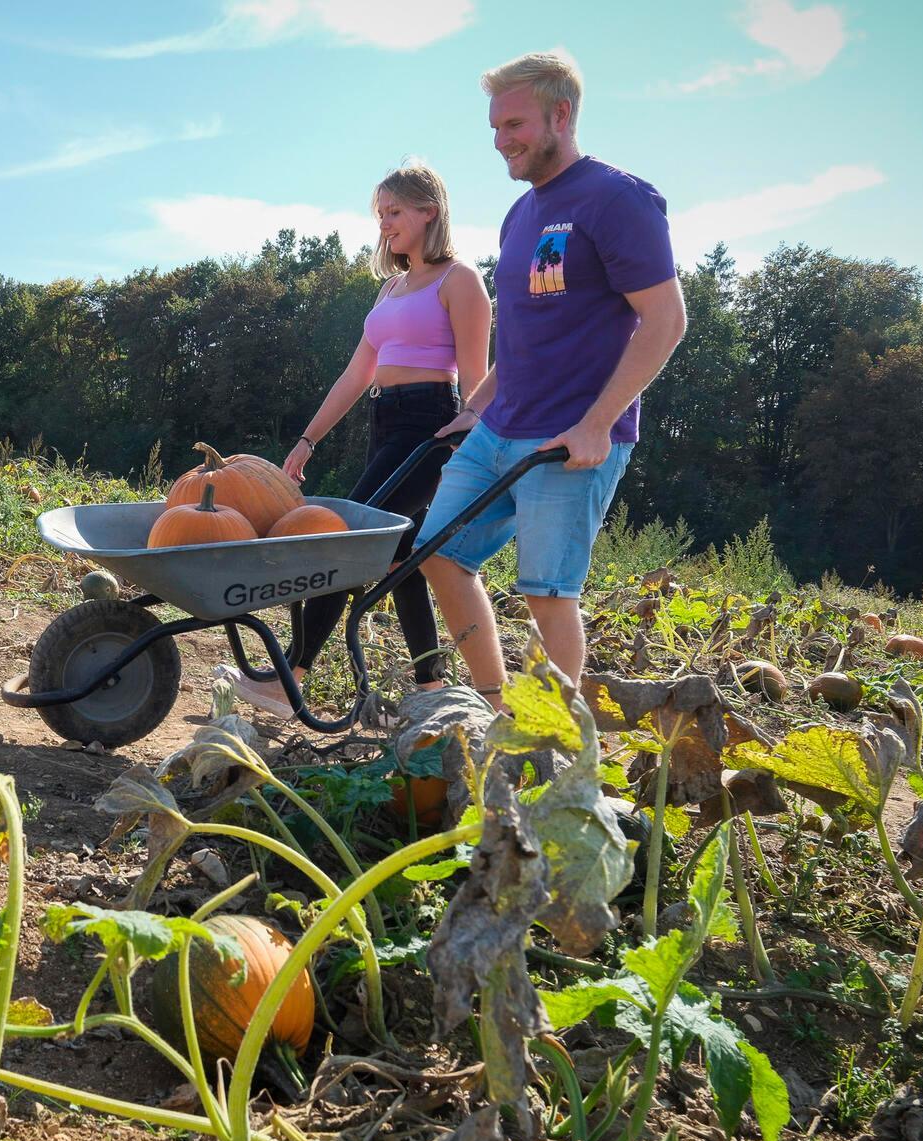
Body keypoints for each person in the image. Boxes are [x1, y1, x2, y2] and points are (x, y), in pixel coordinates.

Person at [416, 51, 686, 696]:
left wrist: (597, 424)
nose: (500, 141)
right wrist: (476, 407)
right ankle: (494, 703)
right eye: (494, 128)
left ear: (560, 115)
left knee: (547, 593)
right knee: (438, 555)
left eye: (514, 125)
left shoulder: (617, 199)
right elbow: (522, 338)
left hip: (569, 438)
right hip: (499, 428)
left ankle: (555, 736)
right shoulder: (521, 214)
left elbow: (666, 320)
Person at [223, 162, 491, 718]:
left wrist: (468, 429)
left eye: (394, 212)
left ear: (429, 212)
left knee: (345, 538)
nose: (384, 224)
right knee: (399, 557)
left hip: (429, 425)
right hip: (385, 421)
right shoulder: (391, 288)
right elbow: (355, 374)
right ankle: (431, 690)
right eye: (380, 214)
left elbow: (476, 375)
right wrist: (308, 439)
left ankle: (291, 678)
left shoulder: (459, 280)